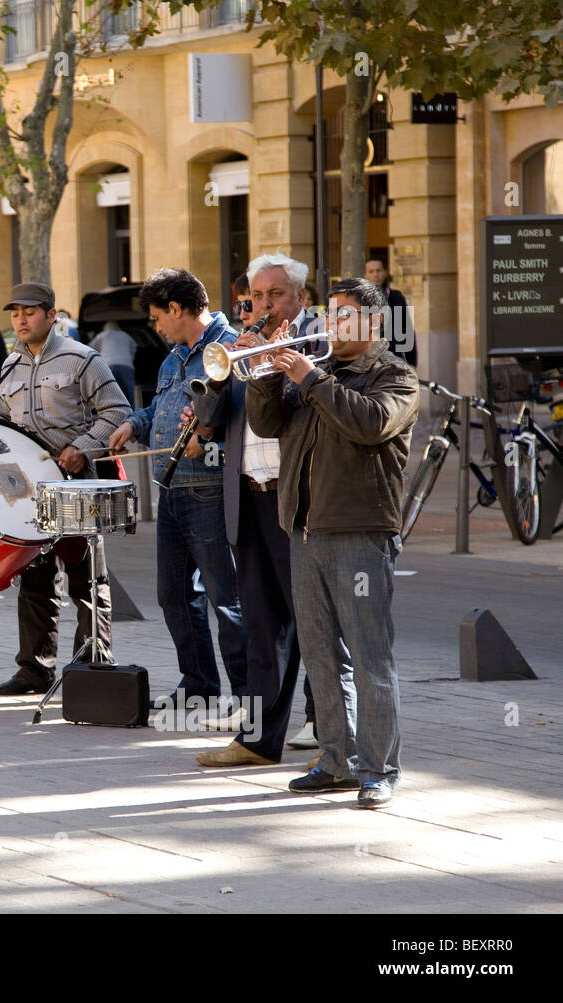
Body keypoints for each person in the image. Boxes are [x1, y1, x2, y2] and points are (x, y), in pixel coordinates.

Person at [247, 276, 419, 808]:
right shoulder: (315, 374)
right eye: (329, 314)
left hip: (361, 531)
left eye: (342, 315)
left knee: (369, 655)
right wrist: (263, 374)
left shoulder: (394, 377)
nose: (329, 325)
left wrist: (311, 378)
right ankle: (335, 759)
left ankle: (379, 768)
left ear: (371, 324)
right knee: (322, 654)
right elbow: (265, 422)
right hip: (306, 529)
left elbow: (370, 424)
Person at [189, 253, 321, 766]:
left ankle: (333, 738)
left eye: (276, 296)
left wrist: (273, 359)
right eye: (257, 298)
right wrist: (222, 378)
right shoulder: (241, 350)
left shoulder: (313, 349)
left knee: (316, 625)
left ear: (300, 299)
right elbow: (209, 420)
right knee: (265, 625)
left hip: (297, 504)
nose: (264, 307)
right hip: (248, 497)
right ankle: (260, 742)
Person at [108, 268, 248, 709]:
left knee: (226, 600)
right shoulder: (175, 357)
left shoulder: (229, 349)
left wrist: (206, 432)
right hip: (171, 490)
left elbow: (241, 417)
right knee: (174, 594)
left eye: (157, 317)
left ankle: (248, 697)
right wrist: (135, 421)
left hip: (209, 488)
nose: (157, 327)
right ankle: (200, 687)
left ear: (176, 309)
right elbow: (160, 406)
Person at [0, 282, 131, 696]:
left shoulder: (84, 359)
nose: (21, 320)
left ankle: (89, 670)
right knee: (33, 577)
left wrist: (82, 449)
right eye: (15, 313)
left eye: (30, 312)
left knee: (87, 579)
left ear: (52, 315)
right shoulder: (10, 364)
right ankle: (33, 671)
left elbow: (118, 412)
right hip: (28, 491)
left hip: (78, 484)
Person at [364, 259, 416, 366]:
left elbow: (406, 328)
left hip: (394, 357)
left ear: (385, 272)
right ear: (366, 275)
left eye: (379, 270)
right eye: (371, 271)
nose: (376, 274)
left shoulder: (396, 297)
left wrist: (411, 361)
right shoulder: (360, 299)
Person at [91, 320, 136, 406]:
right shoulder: (125, 335)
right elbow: (134, 346)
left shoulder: (102, 335)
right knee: (131, 391)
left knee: (110, 391)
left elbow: (90, 348)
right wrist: (131, 359)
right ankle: (133, 410)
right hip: (126, 365)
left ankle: (113, 409)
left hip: (108, 365)